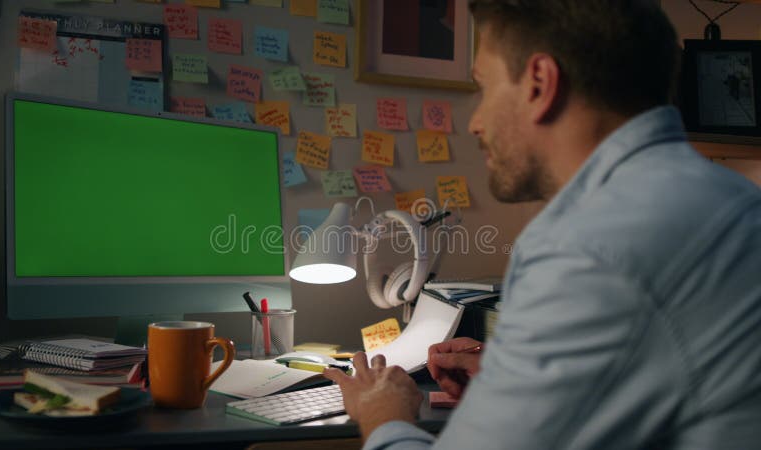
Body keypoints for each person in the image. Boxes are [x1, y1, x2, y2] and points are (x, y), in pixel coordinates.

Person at [324, 1, 761, 448]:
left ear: (539, 83)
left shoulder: (585, 245)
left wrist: (383, 414)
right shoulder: (740, 202)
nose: (475, 122)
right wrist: (519, 382)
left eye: (484, 87)